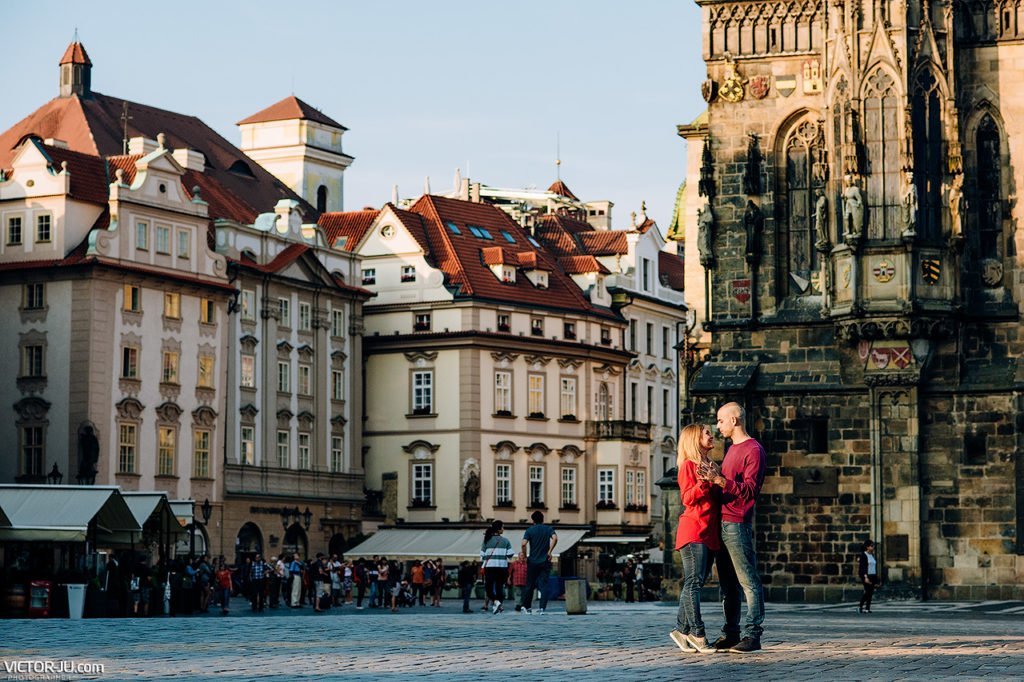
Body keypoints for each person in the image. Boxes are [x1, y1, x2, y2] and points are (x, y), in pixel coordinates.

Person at [706, 402, 767, 653]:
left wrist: (721, 480)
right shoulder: (731, 449)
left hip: (737, 522)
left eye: (721, 420)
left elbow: (750, 490)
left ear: (734, 420)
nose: (717, 425)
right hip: (722, 522)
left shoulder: (753, 449)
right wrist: (715, 475)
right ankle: (731, 633)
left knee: (748, 581)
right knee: (728, 584)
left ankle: (753, 634)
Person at [669, 423, 721, 655]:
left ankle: (681, 630)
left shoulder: (712, 465)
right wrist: (704, 482)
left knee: (695, 582)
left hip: (709, 532)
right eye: (707, 433)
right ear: (694, 439)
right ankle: (698, 634)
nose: (712, 435)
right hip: (693, 530)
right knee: (694, 582)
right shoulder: (688, 466)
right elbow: (687, 498)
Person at [519, 510, 557, 614]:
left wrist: (525, 555)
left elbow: (523, 544)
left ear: (533, 520)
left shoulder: (529, 530)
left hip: (532, 561)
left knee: (530, 585)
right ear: (543, 519)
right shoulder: (548, 529)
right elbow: (555, 538)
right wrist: (549, 552)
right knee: (543, 585)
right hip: (545, 560)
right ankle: (542, 608)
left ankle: (527, 607)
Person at [480, 520, 515, 614]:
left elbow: (482, 555)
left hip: (490, 567)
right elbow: (510, 555)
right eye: (502, 527)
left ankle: (496, 602)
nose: (503, 529)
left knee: (488, 588)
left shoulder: (487, 540)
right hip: (502, 567)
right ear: (499, 529)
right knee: (500, 587)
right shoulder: (506, 541)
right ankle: (499, 605)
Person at [858, 540, 880, 614]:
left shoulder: (872, 555)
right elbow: (863, 567)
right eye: (871, 546)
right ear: (867, 547)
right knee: (867, 591)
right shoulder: (864, 555)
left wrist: (876, 579)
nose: (873, 547)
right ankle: (860, 606)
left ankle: (867, 608)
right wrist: (865, 577)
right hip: (866, 575)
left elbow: (873, 567)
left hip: (872, 575)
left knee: (870, 592)